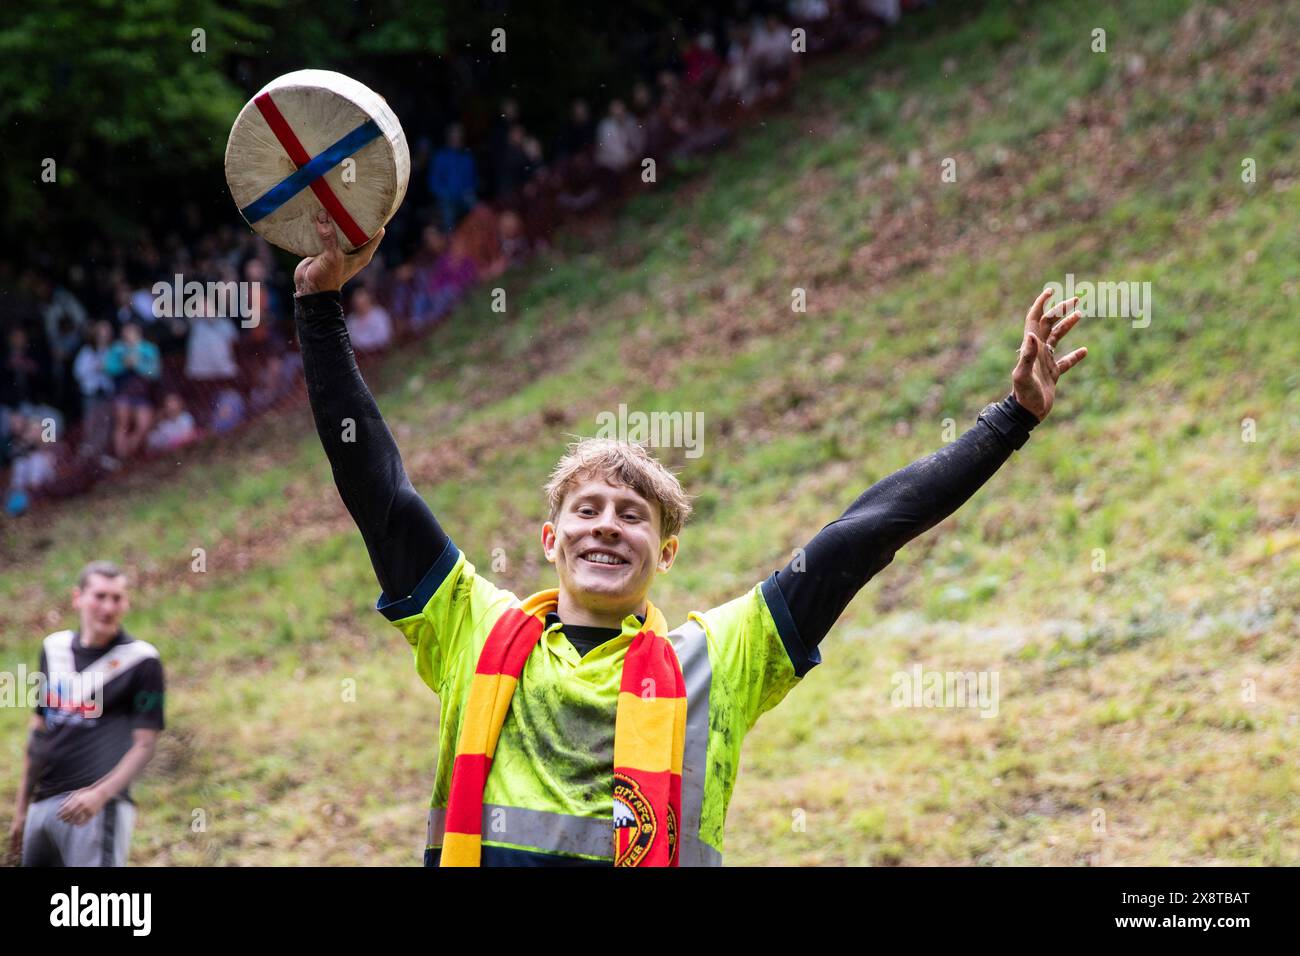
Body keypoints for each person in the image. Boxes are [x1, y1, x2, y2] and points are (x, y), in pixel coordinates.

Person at [291, 210, 1087, 866]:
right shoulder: (473, 625)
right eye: (589, 510)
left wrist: (1006, 422)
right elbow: (379, 492)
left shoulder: (718, 657)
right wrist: (320, 309)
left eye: (634, 515)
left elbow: (859, 538)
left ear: (666, 553)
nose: (607, 524)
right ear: (550, 538)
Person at [10, 561, 165, 867]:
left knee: (95, 911)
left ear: (127, 603)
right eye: (100, 596)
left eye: (117, 598)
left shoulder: (141, 660)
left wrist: (99, 795)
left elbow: (145, 745)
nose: (108, 607)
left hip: (96, 809)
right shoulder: (53, 649)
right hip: (43, 804)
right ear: (77, 598)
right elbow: (39, 730)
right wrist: (21, 810)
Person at [104, 322, 160, 461]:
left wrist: (137, 365)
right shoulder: (117, 349)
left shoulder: (149, 349)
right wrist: (124, 364)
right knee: (122, 424)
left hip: (142, 394)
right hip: (122, 392)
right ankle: (122, 457)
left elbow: (154, 373)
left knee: (144, 425)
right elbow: (109, 369)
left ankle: (128, 452)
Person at [428, 124, 478, 233]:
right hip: (446, 197)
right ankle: (450, 243)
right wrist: (445, 193)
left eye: (458, 136)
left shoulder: (467, 158)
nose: (456, 139)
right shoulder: (440, 157)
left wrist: (466, 193)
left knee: (476, 209)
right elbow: (434, 182)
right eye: (453, 136)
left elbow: (472, 182)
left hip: (463, 197)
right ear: (449, 138)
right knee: (448, 213)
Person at [345, 287, 394, 352]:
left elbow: (384, 336)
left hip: (379, 352)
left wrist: (366, 344)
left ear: (368, 300)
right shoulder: (351, 320)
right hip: (358, 354)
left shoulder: (379, 314)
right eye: (357, 304)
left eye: (363, 303)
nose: (360, 307)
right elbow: (350, 340)